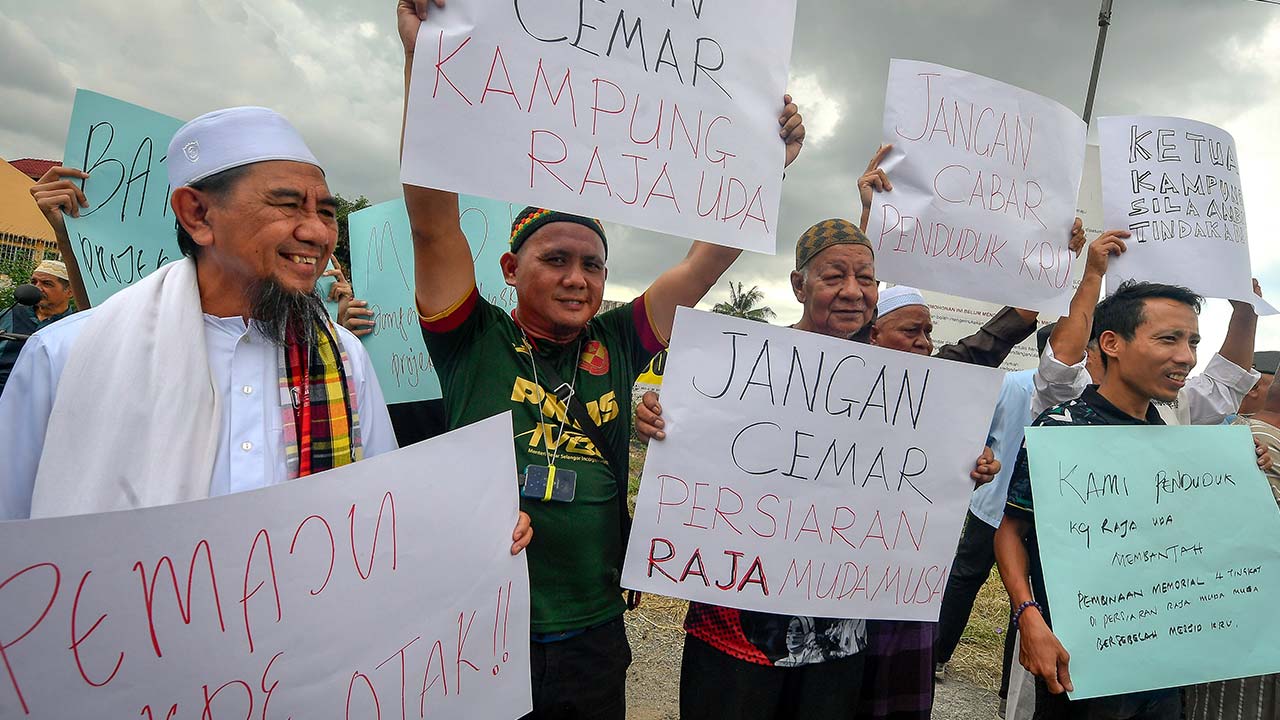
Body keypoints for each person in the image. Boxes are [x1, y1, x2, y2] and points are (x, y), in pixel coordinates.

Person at [395, 2, 807, 717]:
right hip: (482, 619)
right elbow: (433, 221)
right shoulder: (472, 337)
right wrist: (422, 64)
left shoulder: (617, 341)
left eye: (591, 264)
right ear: (509, 268)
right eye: (554, 260)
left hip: (593, 626)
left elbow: (703, 267)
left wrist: (764, 161)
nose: (577, 278)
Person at [0, 106, 534, 572]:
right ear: (198, 214)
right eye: (287, 205)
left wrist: (472, 522)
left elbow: (378, 516)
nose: (318, 232)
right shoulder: (66, 356)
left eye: (325, 211)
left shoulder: (343, 359)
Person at [635, 220, 1009, 720]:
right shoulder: (741, 362)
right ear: (798, 286)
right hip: (735, 624)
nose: (852, 292)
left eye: (866, 279)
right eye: (834, 276)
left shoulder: (902, 387)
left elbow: (919, 469)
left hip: (839, 638)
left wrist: (969, 463)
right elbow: (695, 436)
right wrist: (660, 420)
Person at [994, 280, 1270, 719]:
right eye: (1168, 339)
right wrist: (1028, 616)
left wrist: (1238, 479)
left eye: (1192, 341)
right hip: (1081, 660)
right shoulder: (1063, 430)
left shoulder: (1180, 437)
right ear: (1111, 343)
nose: (1186, 356)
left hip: (1163, 657)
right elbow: (1011, 531)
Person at [0, 260, 75, 395]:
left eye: (47, 283)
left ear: (69, 291)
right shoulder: (9, 314)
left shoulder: (73, 326)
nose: (37, 288)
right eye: (34, 282)